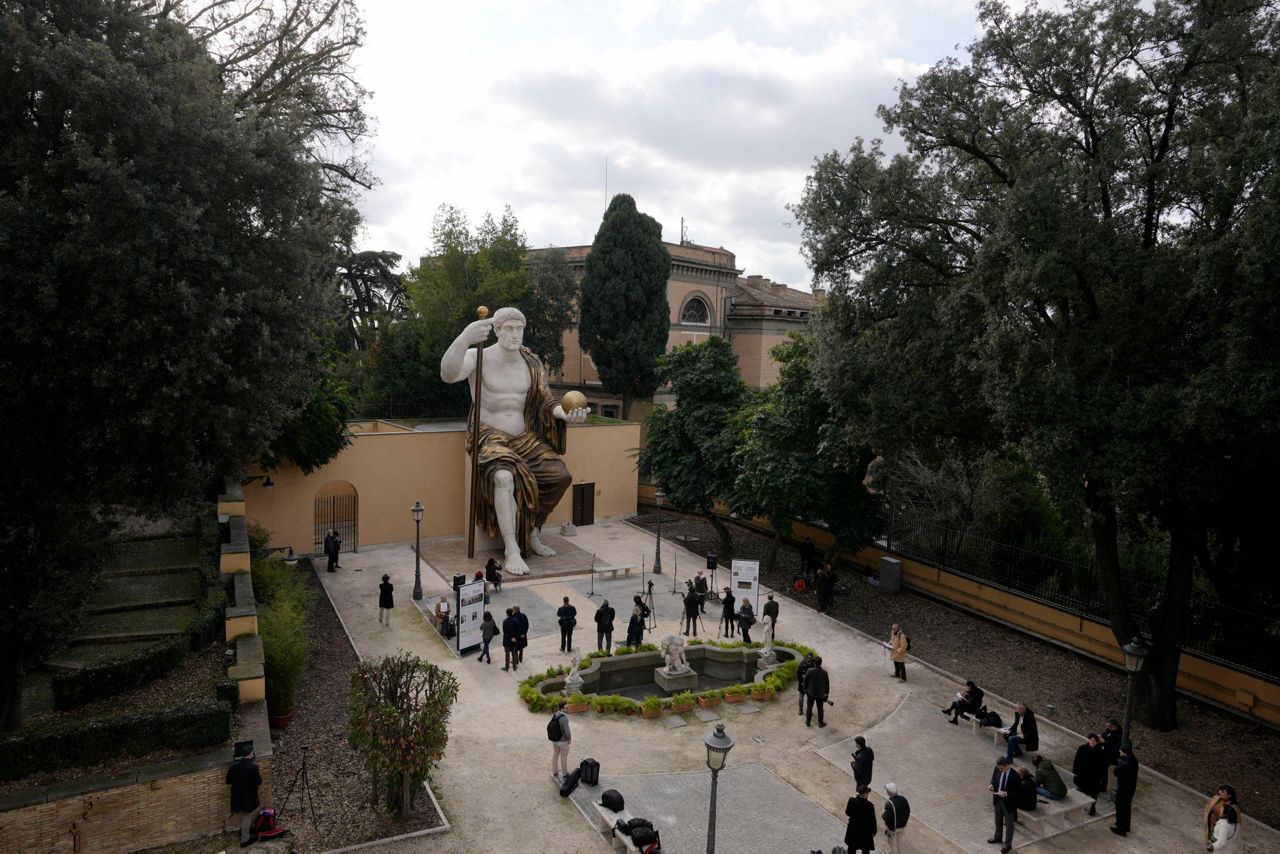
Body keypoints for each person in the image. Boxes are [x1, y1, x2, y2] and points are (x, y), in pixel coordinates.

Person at [440, 306, 588, 576]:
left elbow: (546, 400)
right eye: (509, 328)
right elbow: (448, 375)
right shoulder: (479, 357)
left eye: (519, 328)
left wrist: (564, 415)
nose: (515, 334)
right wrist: (464, 338)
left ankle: (531, 532)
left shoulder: (531, 362)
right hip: (489, 434)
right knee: (504, 478)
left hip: (524, 438)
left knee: (560, 476)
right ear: (496, 330)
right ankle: (511, 548)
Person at [226, 742, 262, 847]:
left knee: (244, 816)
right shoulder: (253, 768)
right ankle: (245, 839)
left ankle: (243, 831)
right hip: (248, 797)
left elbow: (228, 781)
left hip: (237, 796)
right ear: (251, 754)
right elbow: (258, 782)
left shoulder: (233, 767)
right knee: (247, 816)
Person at [1071, 733, 1108, 816]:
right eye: (1091, 740)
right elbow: (1077, 761)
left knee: (1094, 793)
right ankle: (1079, 806)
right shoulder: (1082, 748)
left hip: (1094, 776)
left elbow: (1103, 766)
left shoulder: (1100, 752)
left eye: (1094, 741)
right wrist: (1075, 772)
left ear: (1097, 742)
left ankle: (1092, 807)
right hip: (1083, 775)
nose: (1092, 742)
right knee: (1082, 790)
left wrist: (1102, 779)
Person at [988, 756, 1019, 853]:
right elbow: (993, 779)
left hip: (1008, 803)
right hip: (997, 799)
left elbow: (1018, 792)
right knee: (998, 820)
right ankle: (998, 836)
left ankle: (1007, 844)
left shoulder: (1015, 776)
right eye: (999, 768)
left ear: (1007, 765)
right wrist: (991, 785)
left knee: (1009, 825)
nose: (1000, 770)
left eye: (1002, 768)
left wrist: (1007, 794)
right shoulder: (997, 769)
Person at [1111, 743, 1139, 837]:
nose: (1119, 751)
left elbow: (1116, 772)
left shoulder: (1127, 764)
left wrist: (1118, 765)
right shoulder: (1133, 760)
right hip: (1130, 788)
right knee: (1126, 808)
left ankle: (1120, 829)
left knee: (1121, 807)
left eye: (1121, 750)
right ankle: (1125, 826)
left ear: (1125, 752)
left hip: (1124, 789)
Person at [1205, 785, 1243, 852]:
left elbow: (1236, 823)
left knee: (1218, 842)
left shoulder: (1233, 808)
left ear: (1229, 795)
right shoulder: (1216, 798)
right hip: (1213, 826)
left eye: (1223, 791)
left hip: (1221, 830)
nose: (1220, 792)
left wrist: (1212, 847)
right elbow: (1208, 807)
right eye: (1220, 790)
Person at [844, 784, 877, 854]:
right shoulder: (870, 805)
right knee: (865, 849)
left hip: (854, 828)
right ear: (865, 794)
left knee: (851, 848)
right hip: (865, 830)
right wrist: (874, 830)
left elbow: (848, 813)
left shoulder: (852, 801)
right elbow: (872, 820)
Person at [881, 782, 910, 854]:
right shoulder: (903, 799)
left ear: (889, 792)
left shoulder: (889, 804)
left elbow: (886, 818)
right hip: (903, 826)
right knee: (899, 842)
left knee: (892, 844)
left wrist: (883, 813)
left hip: (893, 828)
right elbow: (908, 811)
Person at [549, 699, 572, 782]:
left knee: (555, 755)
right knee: (564, 758)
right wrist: (569, 739)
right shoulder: (564, 718)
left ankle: (555, 771)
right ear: (562, 708)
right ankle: (565, 775)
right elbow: (567, 732)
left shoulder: (555, 714)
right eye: (566, 707)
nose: (568, 708)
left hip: (555, 740)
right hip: (563, 742)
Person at [804, 656, 830, 728]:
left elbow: (805, 680)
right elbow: (827, 683)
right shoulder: (824, 672)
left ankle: (808, 722)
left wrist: (805, 689)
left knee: (809, 708)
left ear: (814, 663)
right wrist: (826, 693)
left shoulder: (810, 670)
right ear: (821, 663)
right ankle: (820, 723)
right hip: (820, 694)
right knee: (820, 709)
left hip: (810, 693)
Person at [501, 607, 520, 671]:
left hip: (507, 641)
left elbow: (505, 632)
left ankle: (507, 667)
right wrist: (515, 638)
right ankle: (514, 667)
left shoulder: (505, 622)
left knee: (507, 655)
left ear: (507, 613)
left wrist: (510, 638)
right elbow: (518, 631)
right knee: (514, 654)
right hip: (514, 641)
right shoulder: (516, 621)